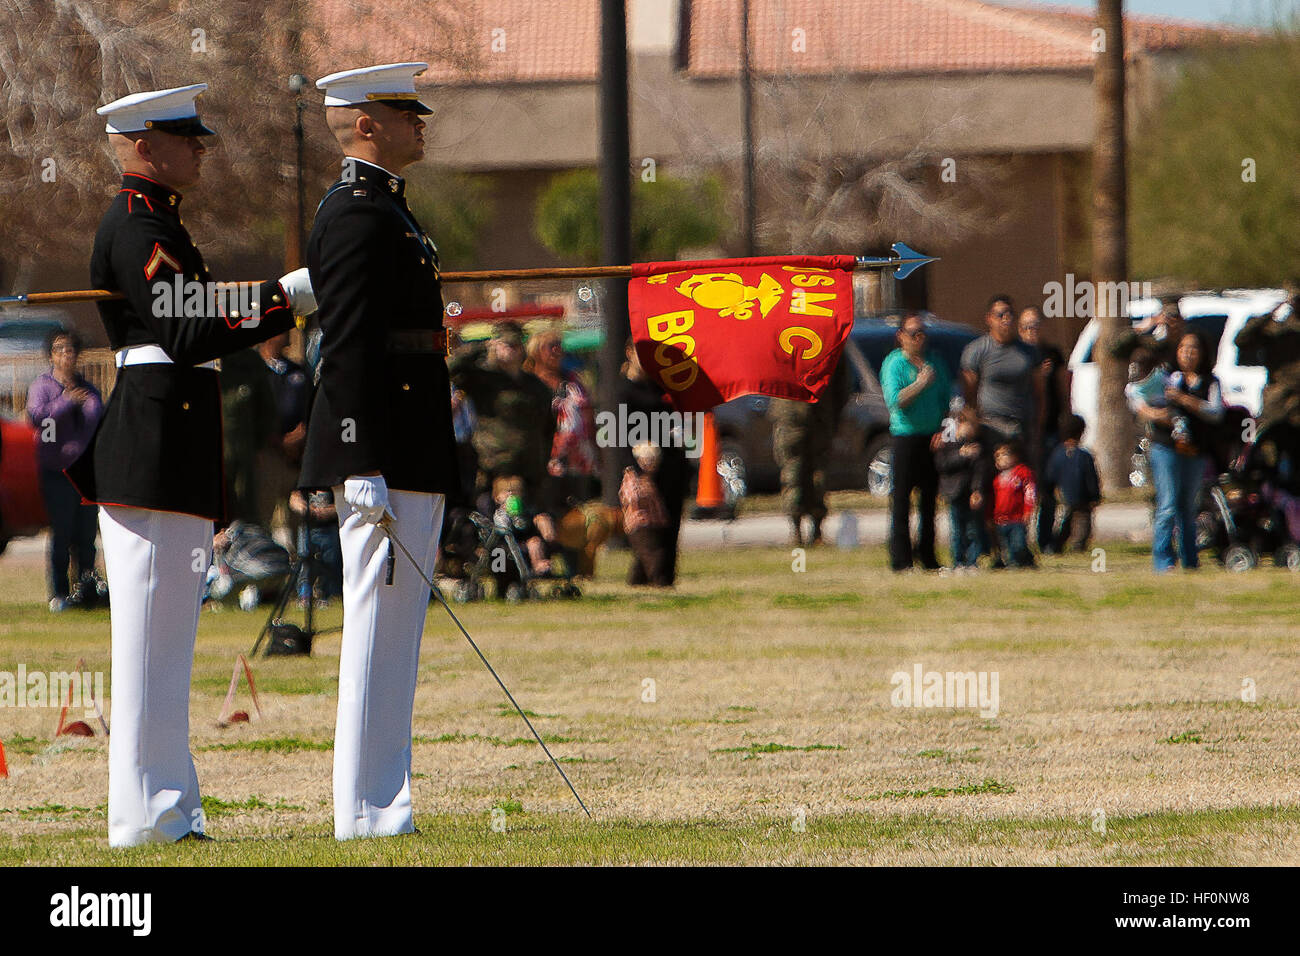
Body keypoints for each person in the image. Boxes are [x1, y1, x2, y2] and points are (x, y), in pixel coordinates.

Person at [65, 84, 313, 847]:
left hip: (172, 449)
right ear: (145, 146)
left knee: (169, 651)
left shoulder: (161, 224)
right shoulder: (137, 225)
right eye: (187, 138)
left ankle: (168, 811)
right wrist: (287, 297)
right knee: (146, 652)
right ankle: (142, 820)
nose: (201, 149)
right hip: (149, 449)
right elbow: (186, 328)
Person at [297, 62, 463, 840]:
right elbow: (351, 347)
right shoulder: (359, 215)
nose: (419, 124)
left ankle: (384, 802)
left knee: (397, 633)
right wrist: (359, 463)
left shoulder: (388, 213)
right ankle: (364, 810)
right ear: (368, 124)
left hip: (411, 437)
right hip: (385, 445)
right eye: (406, 112)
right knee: (373, 629)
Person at [1128, 331, 1224, 572]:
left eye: (1193, 348)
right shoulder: (1166, 376)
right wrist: (1154, 414)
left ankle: (1190, 560)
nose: (1188, 353)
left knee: (1188, 506)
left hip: (1195, 450)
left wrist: (1184, 399)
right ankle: (1163, 562)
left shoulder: (1210, 382)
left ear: (1203, 353)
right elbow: (1135, 394)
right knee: (1168, 504)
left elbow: (1215, 412)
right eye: (1183, 348)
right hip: (1165, 447)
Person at [25, 328, 104, 611]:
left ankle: (85, 589)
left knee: (86, 536)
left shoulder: (86, 388)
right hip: (55, 472)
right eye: (59, 350)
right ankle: (58, 593)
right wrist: (66, 401)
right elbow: (38, 417)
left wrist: (84, 402)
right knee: (62, 534)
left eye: (70, 349)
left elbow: (96, 416)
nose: (66, 355)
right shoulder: (42, 387)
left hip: (83, 473)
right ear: (51, 355)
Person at [449, 323, 556, 514]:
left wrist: (543, 462)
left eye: (515, 345)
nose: (510, 350)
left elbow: (548, 427)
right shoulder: (482, 379)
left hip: (529, 471)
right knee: (489, 526)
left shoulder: (535, 386)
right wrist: (483, 346)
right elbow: (451, 368)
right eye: (505, 344)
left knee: (530, 528)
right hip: (492, 470)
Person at [614, 341, 688, 585]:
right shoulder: (622, 391)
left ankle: (643, 579)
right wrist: (631, 469)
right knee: (647, 526)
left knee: (670, 524)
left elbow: (678, 425)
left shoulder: (663, 388)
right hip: (638, 468)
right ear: (629, 354)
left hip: (670, 464)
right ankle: (660, 579)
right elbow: (615, 434)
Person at [881, 313, 951, 571]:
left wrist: (943, 429)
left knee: (929, 500)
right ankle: (901, 558)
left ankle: (928, 555)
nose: (918, 339)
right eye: (913, 333)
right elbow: (895, 401)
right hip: (905, 437)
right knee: (901, 500)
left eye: (922, 333)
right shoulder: (894, 364)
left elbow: (946, 399)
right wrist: (920, 383)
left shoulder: (935, 363)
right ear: (901, 336)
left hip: (931, 438)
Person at [769, 354, 851, 546]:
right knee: (797, 474)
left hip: (810, 417)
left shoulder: (785, 339)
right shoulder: (827, 339)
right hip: (796, 418)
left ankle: (812, 528)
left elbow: (842, 384)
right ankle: (801, 528)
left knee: (810, 475)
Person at [524, 327, 598, 511]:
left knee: (581, 514)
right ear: (536, 351)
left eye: (559, 345)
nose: (558, 350)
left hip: (580, 461)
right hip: (548, 462)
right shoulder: (530, 382)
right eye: (551, 346)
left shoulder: (574, 381)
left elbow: (589, 416)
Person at [1018, 306, 1071, 553]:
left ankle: (1045, 538)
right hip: (1021, 431)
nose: (1032, 331)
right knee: (1021, 486)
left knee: (1048, 487)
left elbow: (1064, 392)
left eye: (1036, 325)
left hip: (1049, 430)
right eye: (1027, 326)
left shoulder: (1053, 355)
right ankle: (1017, 539)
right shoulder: (1016, 355)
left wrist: (1066, 424)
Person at [934, 407, 990, 570]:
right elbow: (942, 465)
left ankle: (972, 561)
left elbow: (980, 471)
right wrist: (961, 455)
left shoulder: (977, 447)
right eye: (969, 426)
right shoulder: (949, 445)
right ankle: (958, 561)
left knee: (973, 529)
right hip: (954, 493)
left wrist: (977, 490)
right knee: (957, 530)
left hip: (969, 495)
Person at [1045, 414, 1101, 553]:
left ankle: (1056, 545)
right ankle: (1078, 546)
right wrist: (1095, 496)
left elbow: (1050, 476)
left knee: (1064, 523)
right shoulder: (1084, 455)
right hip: (1082, 498)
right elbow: (1091, 478)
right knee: (1082, 523)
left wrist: (1049, 492)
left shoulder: (1056, 454)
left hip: (1063, 497)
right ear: (1082, 432)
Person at [620, 442, 671, 586]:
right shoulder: (632, 477)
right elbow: (631, 497)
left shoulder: (649, 478)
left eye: (654, 460)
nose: (651, 464)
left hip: (653, 522)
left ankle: (636, 581)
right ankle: (659, 582)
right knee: (654, 554)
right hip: (639, 523)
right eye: (647, 460)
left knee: (644, 555)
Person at [990, 441, 1037, 568]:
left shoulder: (1022, 473)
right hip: (1001, 520)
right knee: (1006, 545)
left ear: (1015, 456)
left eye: (1004, 454)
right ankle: (1013, 562)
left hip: (1017, 518)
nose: (1000, 459)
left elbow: (1030, 492)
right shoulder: (997, 479)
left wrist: (1028, 510)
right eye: (997, 456)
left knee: (1018, 543)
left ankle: (1024, 560)